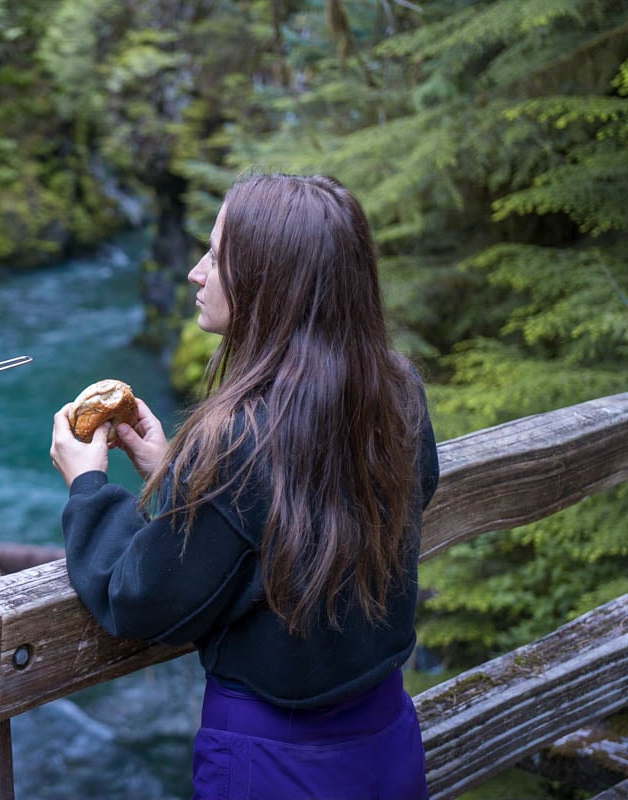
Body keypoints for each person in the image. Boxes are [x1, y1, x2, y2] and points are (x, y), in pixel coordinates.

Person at [49, 173, 439, 799]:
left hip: (276, 761)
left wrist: (88, 485)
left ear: (270, 282)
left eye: (216, 257)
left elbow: (141, 600)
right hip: (387, 737)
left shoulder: (240, 436)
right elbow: (308, 507)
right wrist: (175, 472)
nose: (195, 273)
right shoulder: (395, 388)